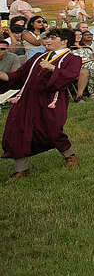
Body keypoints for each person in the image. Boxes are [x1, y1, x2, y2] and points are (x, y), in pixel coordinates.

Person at [1, 27, 82, 179]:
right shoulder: (38, 57)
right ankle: (21, 169)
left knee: (51, 131)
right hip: (27, 99)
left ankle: (69, 155)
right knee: (18, 130)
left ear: (64, 42)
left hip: (51, 101)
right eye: (47, 38)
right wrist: (3, 76)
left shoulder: (73, 59)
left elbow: (71, 76)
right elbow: (18, 76)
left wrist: (53, 68)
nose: (47, 41)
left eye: (52, 38)